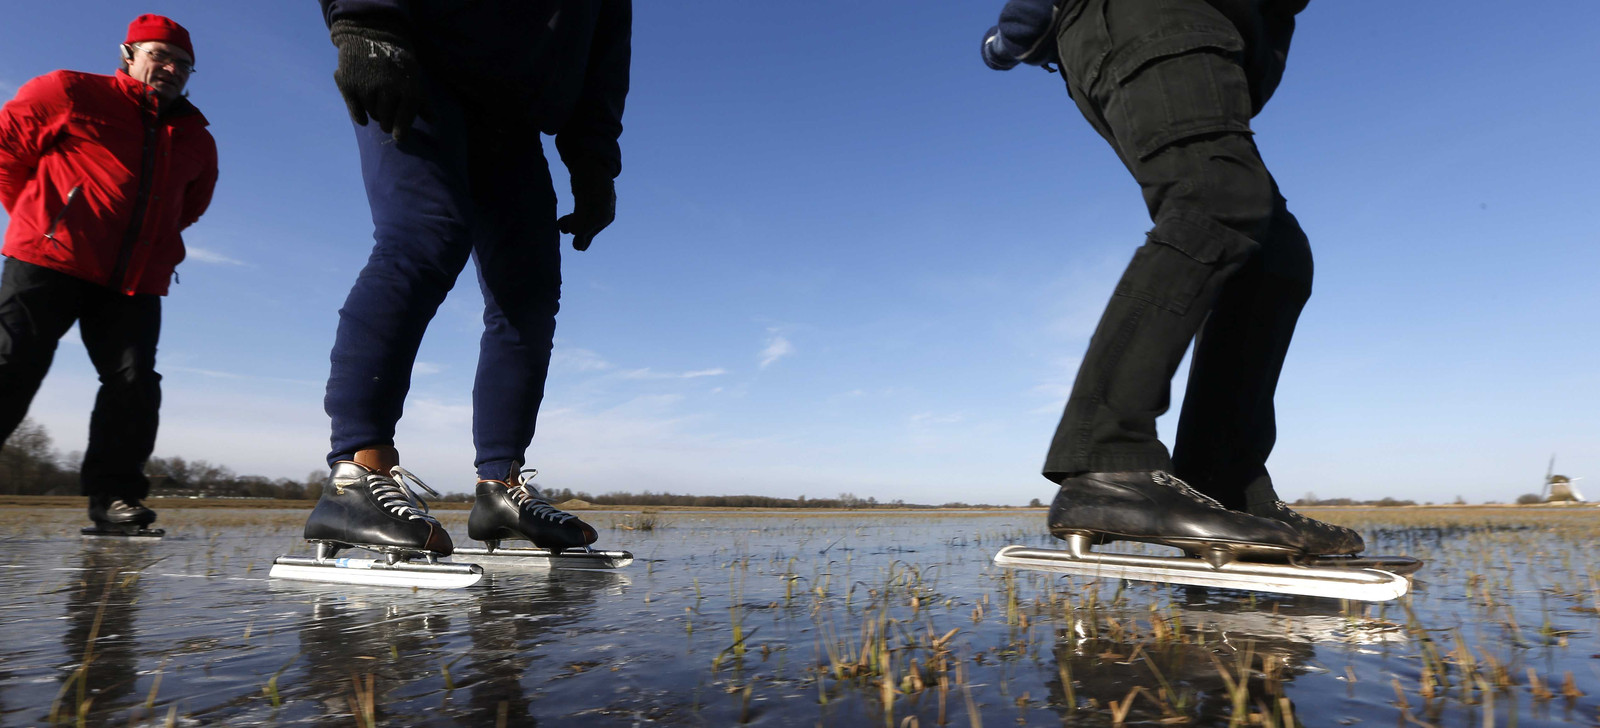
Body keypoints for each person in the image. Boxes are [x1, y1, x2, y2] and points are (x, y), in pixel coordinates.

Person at [981, 0, 1362, 556]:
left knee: (1276, 257)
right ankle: (1109, 462)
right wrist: (1025, 22)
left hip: (1220, 36)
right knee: (1214, 199)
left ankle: (1222, 483)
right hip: (1150, 15)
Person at [302, 1, 631, 559]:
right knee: (424, 238)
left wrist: (593, 161)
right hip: (422, 61)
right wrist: (366, 21)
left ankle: (500, 488)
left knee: (528, 293)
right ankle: (356, 475)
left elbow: (603, 51)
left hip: (516, 113)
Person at [0, 15, 218, 533]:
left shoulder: (196, 137)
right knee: (11, 363)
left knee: (134, 382)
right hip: (49, 259)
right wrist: (39, 220)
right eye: (158, 56)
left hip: (134, 279)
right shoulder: (67, 91)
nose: (170, 68)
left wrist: (150, 239)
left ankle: (114, 499)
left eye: (182, 63)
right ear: (128, 54)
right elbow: (7, 150)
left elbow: (191, 205)